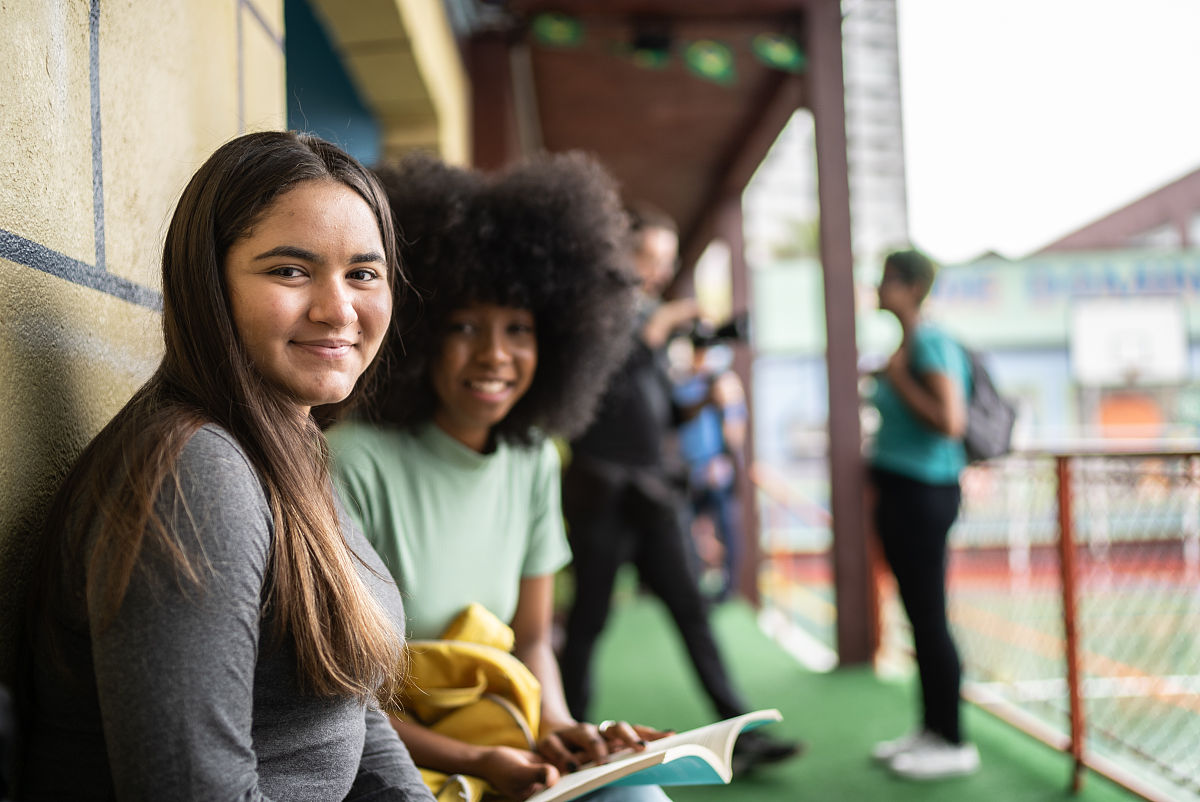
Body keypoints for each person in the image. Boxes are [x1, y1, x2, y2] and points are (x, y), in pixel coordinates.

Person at [22, 131, 433, 801]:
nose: (339, 310)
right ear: (209, 285)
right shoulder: (194, 472)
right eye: (290, 271)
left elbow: (345, 702)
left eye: (363, 272)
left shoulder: (287, 443)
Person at [327, 153, 671, 801]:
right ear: (419, 331)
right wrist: (481, 760)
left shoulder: (533, 457)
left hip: (503, 743)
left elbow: (536, 637)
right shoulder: (355, 461)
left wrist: (566, 732)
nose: (495, 356)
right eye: (464, 326)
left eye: (519, 329)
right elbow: (345, 700)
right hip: (390, 763)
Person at [558, 204, 801, 774]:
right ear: (622, 255)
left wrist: (701, 402)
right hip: (602, 496)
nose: (661, 273)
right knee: (588, 622)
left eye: (668, 262)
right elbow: (602, 375)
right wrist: (663, 323)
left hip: (653, 496)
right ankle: (567, 739)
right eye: (652, 258)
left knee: (693, 611)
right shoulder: (593, 311)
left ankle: (743, 736)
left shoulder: (649, 319)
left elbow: (658, 410)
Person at [867, 248, 980, 779]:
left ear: (910, 286)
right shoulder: (908, 343)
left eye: (887, 278)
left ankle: (953, 740)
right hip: (901, 492)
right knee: (919, 617)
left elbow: (950, 421)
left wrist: (899, 379)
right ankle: (931, 729)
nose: (876, 285)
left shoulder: (931, 342)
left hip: (924, 495)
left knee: (931, 618)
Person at [672, 337, 749, 601]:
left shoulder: (726, 385)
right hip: (688, 469)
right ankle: (692, 584)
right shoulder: (683, 384)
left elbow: (736, 431)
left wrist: (723, 457)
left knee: (727, 527)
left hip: (717, 468)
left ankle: (728, 588)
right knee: (685, 530)